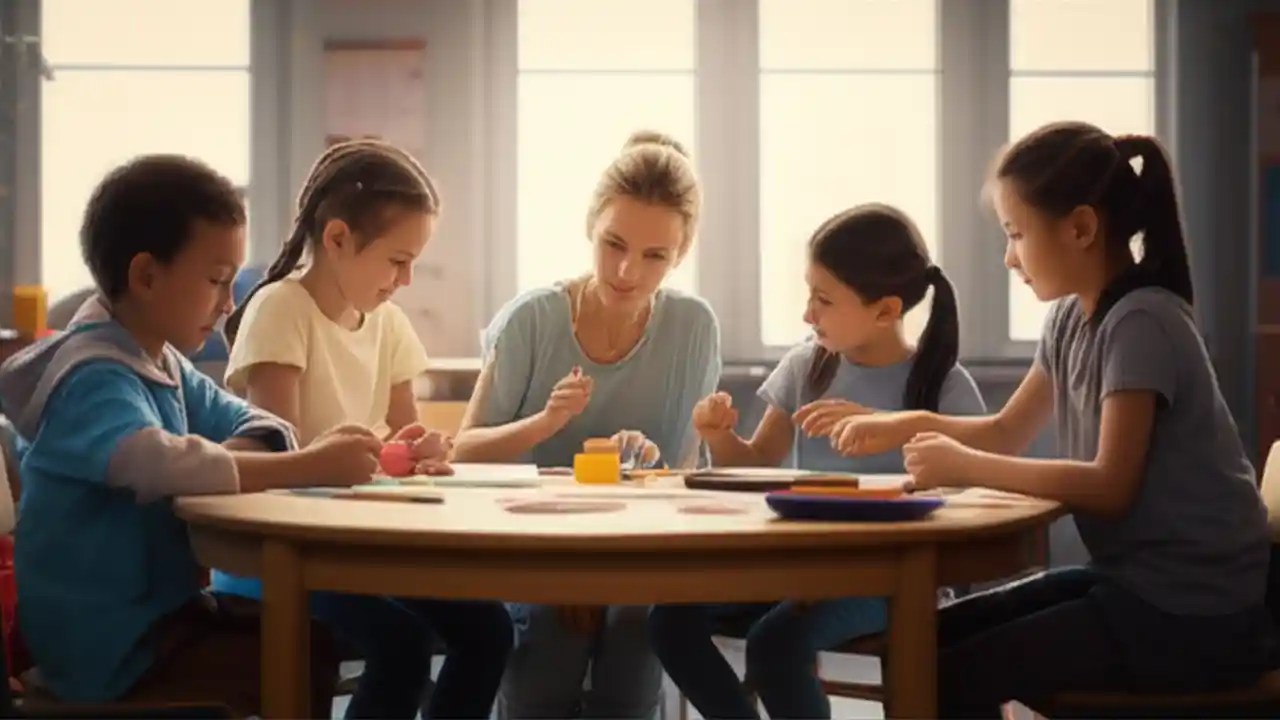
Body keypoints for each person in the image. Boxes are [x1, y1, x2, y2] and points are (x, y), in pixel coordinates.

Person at [828, 122, 1277, 717]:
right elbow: (1007, 430)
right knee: (920, 641)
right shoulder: (1070, 319)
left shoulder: (1142, 321)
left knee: (945, 672)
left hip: (1197, 615)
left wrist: (966, 466)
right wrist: (901, 422)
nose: (1008, 256)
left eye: (1016, 234)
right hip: (1137, 589)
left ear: (1082, 228)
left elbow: (1110, 486)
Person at [0, 155, 367, 714]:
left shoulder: (161, 360)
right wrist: (309, 466)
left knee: (310, 642)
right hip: (105, 648)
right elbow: (154, 463)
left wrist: (223, 458)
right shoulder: (90, 373)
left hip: (161, 619)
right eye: (217, 281)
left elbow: (257, 422)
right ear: (146, 275)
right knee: (293, 657)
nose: (229, 304)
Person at [212, 139, 512, 720]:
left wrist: (424, 451)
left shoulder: (389, 325)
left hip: (361, 553)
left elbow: (410, 440)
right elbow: (280, 460)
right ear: (338, 239)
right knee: (401, 643)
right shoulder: (280, 309)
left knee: (489, 630)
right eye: (398, 260)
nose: (406, 280)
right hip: (280, 556)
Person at [649, 203, 984, 719]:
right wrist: (719, 436)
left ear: (886, 310)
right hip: (793, 566)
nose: (808, 314)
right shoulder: (808, 366)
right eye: (809, 295)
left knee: (776, 645)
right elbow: (759, 461)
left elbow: (973, 496)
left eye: (823, 300)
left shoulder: (943, 386)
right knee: (669, 620)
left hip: (889, 580)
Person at [453, 131, 721, 719]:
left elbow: (678, 481)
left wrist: (608, 578)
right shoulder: (533, 319)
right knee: (549, 653)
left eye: (656, 256)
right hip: (530, 552)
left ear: (681, 253)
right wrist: (546, 423)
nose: (627, 271)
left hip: (641, 558)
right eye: (614, 244)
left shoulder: (694, 328)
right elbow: (464, 454)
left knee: (633, 638)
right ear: (590, 227)